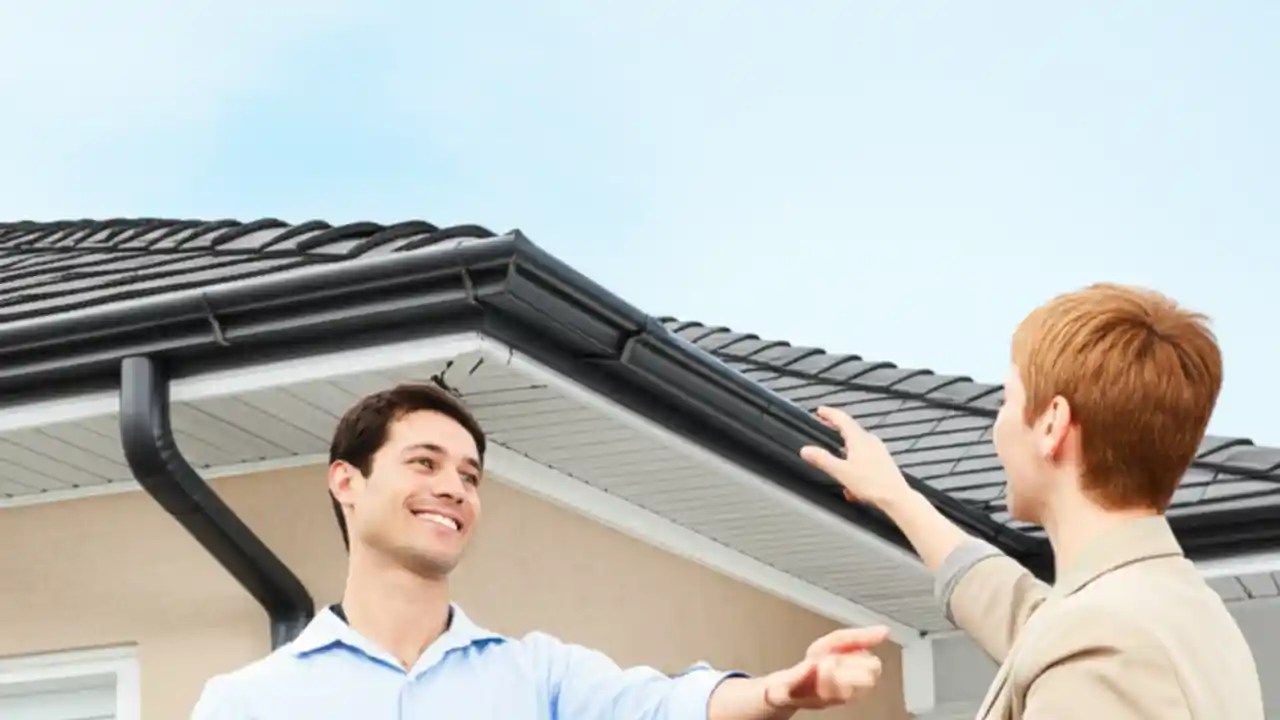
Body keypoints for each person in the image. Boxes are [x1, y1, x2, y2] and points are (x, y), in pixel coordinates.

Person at [192, 383, 889, 719]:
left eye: (469, 476)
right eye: (425, 463)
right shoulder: (245, 704)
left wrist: (778, 690)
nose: (454, 489)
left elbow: (667, 708)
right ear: (347, 480)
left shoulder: (539, 679)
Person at [801, 283, 1264, 719]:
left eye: (1006, 400)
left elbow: (1066, 636)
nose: (996, 428)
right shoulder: (1174, 613)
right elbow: (1026, 614)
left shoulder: (1105, 641)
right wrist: (895, 496)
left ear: (1051, 425)